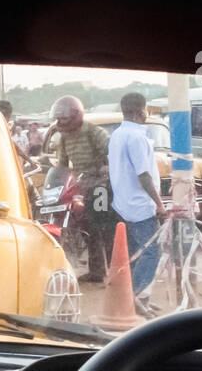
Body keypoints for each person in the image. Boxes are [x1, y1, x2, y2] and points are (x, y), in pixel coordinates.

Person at [108, 92, 167, 314]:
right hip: (140, 206)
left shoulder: (117, 135)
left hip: (124, 204)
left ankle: (136, 298)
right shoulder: (136, 137)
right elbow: (143, 176)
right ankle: (139, 299)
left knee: (133, 254)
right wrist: (160, 204)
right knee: (151, 253)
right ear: (140, 111)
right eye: (145, 110)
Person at [50, 95, 113, 283]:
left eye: (64, 118)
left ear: (76, 115)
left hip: (101, 186)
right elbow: (62, 165)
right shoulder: (63, 138)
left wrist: (96, 171)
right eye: (58, 118)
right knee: (89, 229)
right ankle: (97, 272)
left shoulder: (95, 133)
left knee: (103, 229)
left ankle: (113, 271)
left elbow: (110, 159)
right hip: (81, 188)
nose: (60, 122)